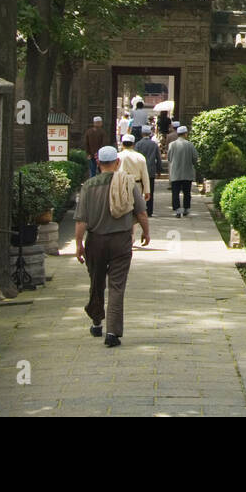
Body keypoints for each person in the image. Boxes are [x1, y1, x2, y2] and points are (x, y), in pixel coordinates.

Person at [74, 145, 149, 348]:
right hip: (121, 241)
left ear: (98, 164)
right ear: (117, 163)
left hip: (96, 241)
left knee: (96, 281)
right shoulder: (127, 183)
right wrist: (146, 232)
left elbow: (81, 220)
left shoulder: (89, 186)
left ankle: (97, 322)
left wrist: (79, 243)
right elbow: (142, 213)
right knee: (116, 286)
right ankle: (112, 333)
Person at [117, 133, 153, 240]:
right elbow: (145, 175)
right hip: (136, 185)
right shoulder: (140, 157)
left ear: (122, 144)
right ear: (133, 144)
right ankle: (132, 236)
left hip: (120, 184)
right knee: (137, 211)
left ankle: (124, 234)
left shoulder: (118, 156)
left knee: (122, 210)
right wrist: (147, 190)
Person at [167, 125, 199, 218]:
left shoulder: (172, 145)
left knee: (175, 192)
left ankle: (177, 210)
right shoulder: (190, 144)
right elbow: (195, 158)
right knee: (187, 192)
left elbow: (169, 158)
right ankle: (186, 209)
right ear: (185, 134)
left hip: (175, 173)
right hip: (187, 172)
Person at [134, 126, 162, 218]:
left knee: (138, 192)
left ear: (142, 133)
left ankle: (139, 209)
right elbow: (158, 158)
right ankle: (149, 211)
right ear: (150, 134)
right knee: (150, 191)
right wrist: (159, 170)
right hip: (150, 171)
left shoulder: (138, 144)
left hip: (139, 172)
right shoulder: (154, 145)